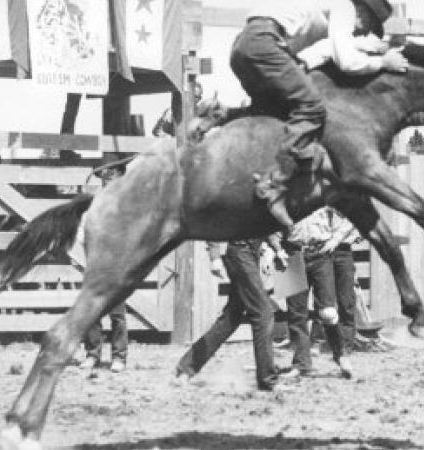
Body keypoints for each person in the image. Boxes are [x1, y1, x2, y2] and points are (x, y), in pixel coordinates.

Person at [229, 0, 408, 231]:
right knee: (311, 106)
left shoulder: (324, 9)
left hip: (244, 46)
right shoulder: (346, 7)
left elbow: (326, 52)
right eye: (366, 24)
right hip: (265, 42)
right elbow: (347, 61)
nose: (360, 30)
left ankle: (223, 115)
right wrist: (384, 62)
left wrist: (372, 50)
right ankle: (276, 184)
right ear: (362, 10)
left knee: (270, 110)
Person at [175, 236, 288, 391]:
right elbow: (214, 223)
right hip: (240, 253)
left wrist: (277, 249)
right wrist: (214, 257)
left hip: (251, 253)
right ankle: (268, 380)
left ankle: (186, 368)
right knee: (264, 313)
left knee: (231, 317)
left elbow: (263, 220)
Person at [70, 152, 130, 373]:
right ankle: (92, 354)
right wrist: (81, 253)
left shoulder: (128, 201)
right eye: (104, 173)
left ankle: (119, 356)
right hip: (95, 260)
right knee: (92, 311)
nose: (108, 177)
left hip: (117, 262)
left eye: (112, 173)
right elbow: (83, 228)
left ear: (120, 175)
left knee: (117, 313)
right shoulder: (95, 200)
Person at [283, 206, 359, 378]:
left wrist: (336, 240)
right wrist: (270, 248)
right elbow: (268, 219)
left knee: (328, 312)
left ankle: (341, 356)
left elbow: (352, 212)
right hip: (290, 253)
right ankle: (300, 364)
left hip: (320, 254)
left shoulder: (322, 193)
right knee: (295, 314)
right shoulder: (284, 193)